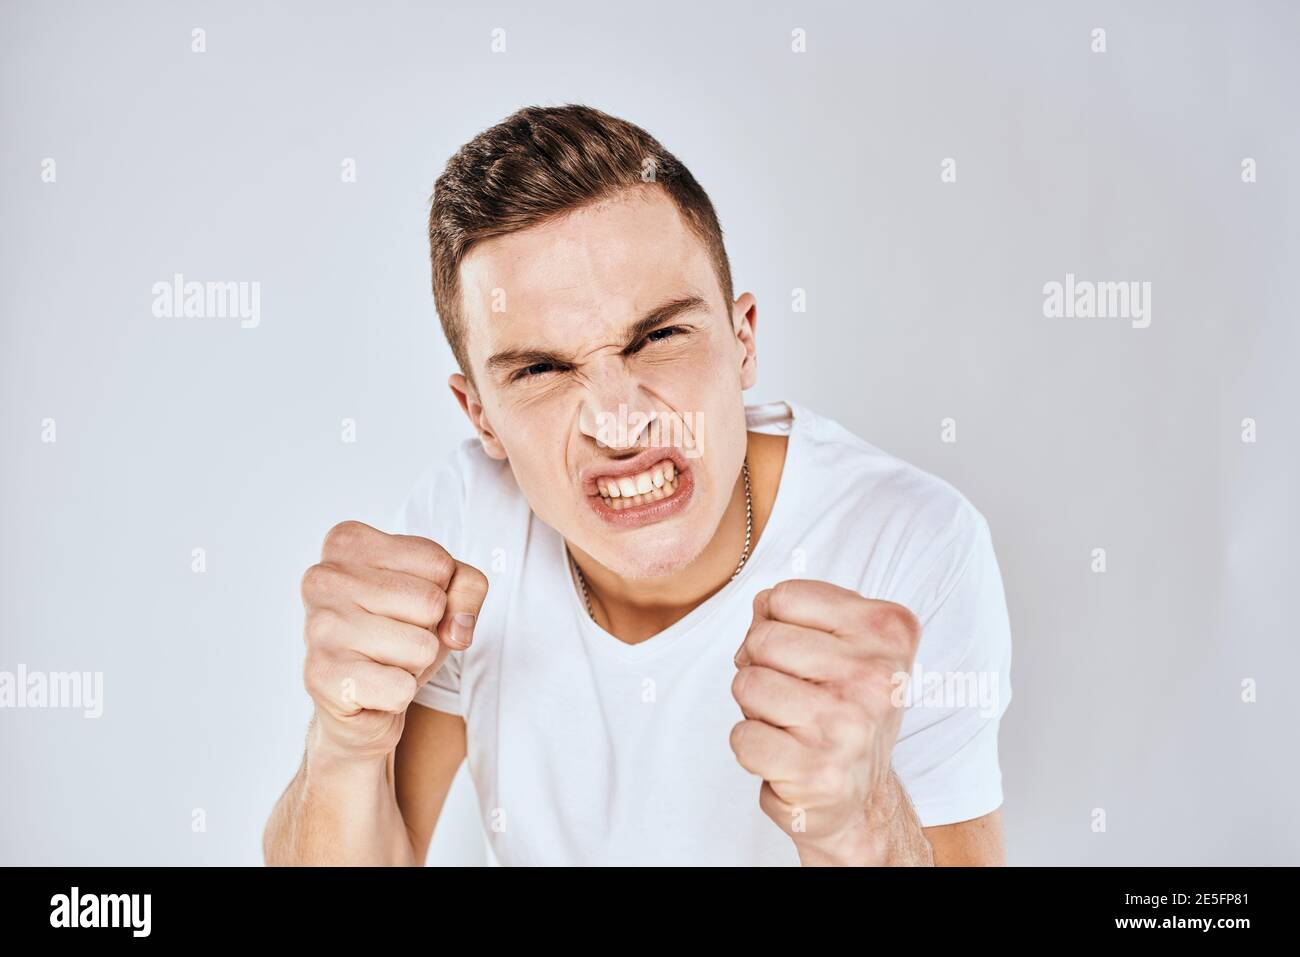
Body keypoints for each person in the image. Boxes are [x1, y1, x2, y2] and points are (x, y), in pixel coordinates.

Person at [263, 104, 1013, 866]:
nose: (619, 424)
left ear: (743, 338)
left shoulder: (905, 544)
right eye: (542, 370)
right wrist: (344, 742)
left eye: (658, 337)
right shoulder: (462, 525)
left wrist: (861, 826)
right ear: (479, 414)